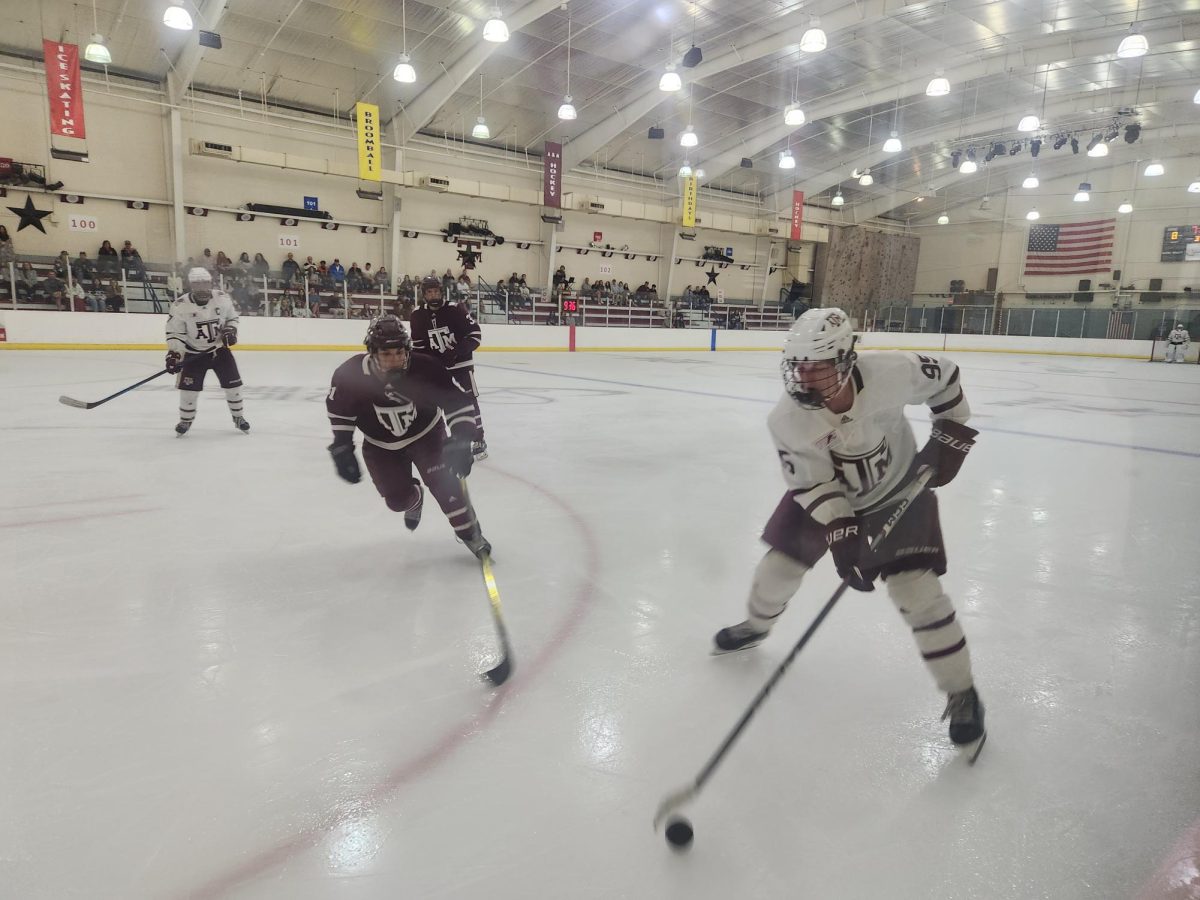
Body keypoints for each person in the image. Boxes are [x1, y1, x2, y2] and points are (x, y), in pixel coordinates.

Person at [713, 308, 985, 754]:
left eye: (817, 367)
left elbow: (947, 378)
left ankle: (962, 693)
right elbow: (811, 482)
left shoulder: (892, 372)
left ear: (845, 360)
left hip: (899, 492)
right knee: (777, 571)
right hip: (830, 496)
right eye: (798, 366)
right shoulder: (787, 421)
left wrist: (951, 434)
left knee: (919, 597)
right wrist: (841, 530)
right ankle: (757, 626)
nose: (804, 378)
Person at [325, 315, 490, 558]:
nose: (395, 360)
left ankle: (470, 534)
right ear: (372, 352)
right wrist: (341, 445)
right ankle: (414, 499)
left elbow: (457, 403)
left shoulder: (426, 367)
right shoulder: (349, 375)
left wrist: (462, 438)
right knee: (396, 501)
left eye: (400, 352)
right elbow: (340, 411)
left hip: (427, 437)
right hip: (380, 447)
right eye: (386, 353)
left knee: (446, 486)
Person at [408, 275, 487, 460]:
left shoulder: (455, 309)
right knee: (434, 404)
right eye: (429, 292)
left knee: (468, 401)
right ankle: (437, 439)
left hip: (461, 366)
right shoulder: (417, 315)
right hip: (436, 369)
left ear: (441, 292)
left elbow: (475, 335)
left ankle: (478, 439)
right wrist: (422, 366)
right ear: (424, 295)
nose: (433, 295)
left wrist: (457, 352)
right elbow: (419, 346)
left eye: (436, 291)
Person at [165, 267, 249, 436]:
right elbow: (175, 333)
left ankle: (238, 417)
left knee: (234, 387)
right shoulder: (180, 306)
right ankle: (185, 420)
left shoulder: (222, 298)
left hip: (220, 352)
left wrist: (230, 330)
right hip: (193, 354)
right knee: (189, 391)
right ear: (191, 286)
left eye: (205, 283)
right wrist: (174, 354)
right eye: (198, 284)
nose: (202, 288)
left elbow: (232, 318)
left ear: (210, 283)